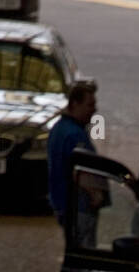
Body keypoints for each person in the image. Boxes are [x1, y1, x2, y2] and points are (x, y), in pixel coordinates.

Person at [47, 81, 99, 239]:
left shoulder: (58, 128)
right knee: (83, 254)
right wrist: (95, 194)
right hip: (79, 207)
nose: (94, 110)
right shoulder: (74, 135)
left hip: (63, 204)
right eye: (90, 105)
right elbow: (80, 171)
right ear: (75, 104)